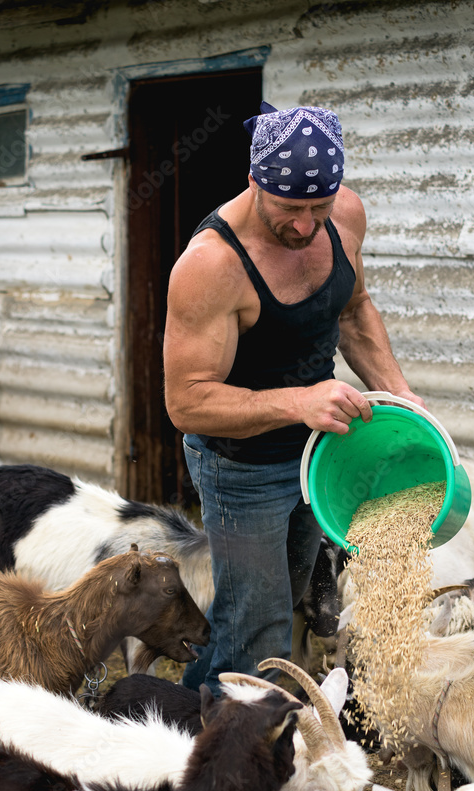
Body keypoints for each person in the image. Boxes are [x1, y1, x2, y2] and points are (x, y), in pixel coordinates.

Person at [163, 101, 423, 694]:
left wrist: (400, 394)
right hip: (241, 464)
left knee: (281, 596)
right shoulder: (212, 266)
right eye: (289, 207)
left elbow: (354, 312)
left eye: (318, 206)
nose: (306, 225)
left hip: (318, 452)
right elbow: (187, 402)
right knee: (261, 635)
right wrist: (298, 401)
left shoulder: (347, 217)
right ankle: (230, 768)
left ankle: (185, 718)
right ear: (255, 181)